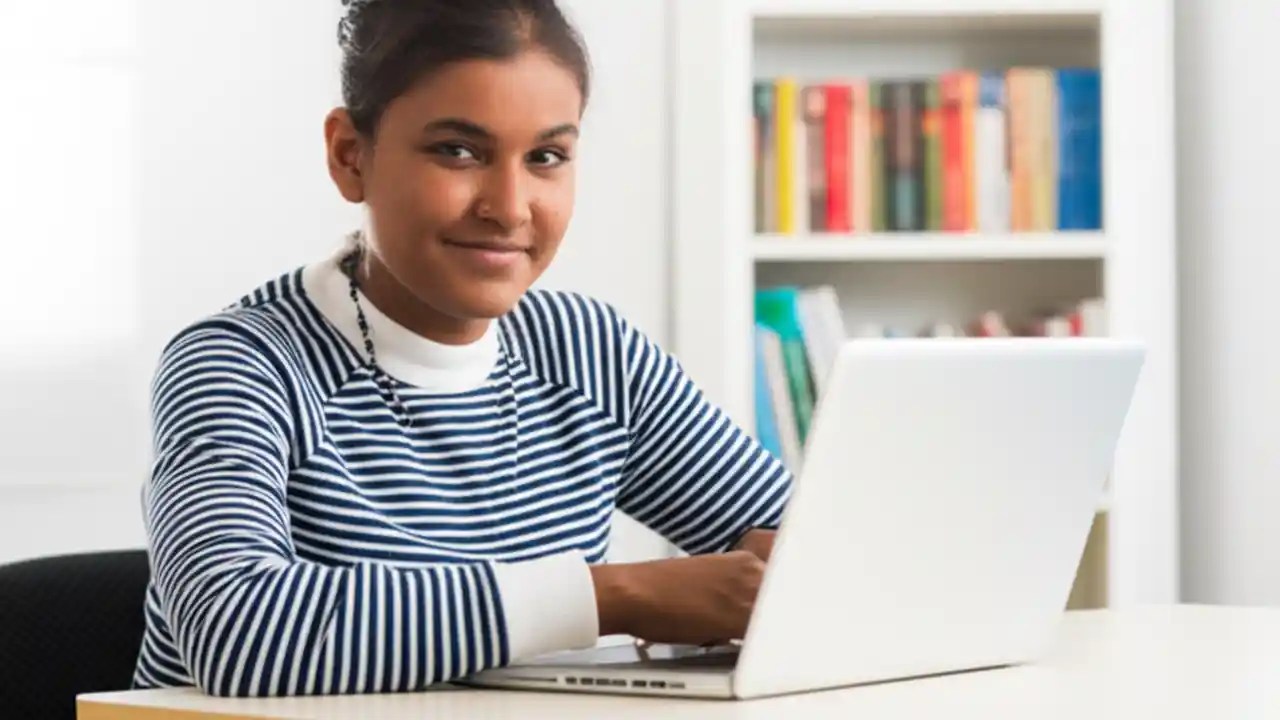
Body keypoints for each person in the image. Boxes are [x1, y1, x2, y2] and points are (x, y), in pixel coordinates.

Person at [132, 0, 793, 698]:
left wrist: (804, 576)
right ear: (350, 156)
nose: (509, 207)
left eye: (546, 157)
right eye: (458, 151)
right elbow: (235, 632)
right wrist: (613, 596)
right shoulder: (240, 365)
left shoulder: (594, 355)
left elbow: (815, 548)